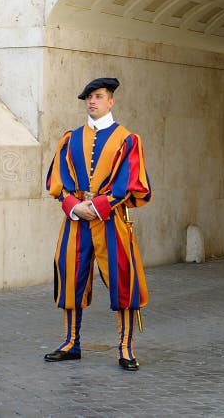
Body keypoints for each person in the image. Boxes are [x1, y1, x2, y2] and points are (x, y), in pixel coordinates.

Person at [43, 77, 152, 371]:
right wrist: (74, 206)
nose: (92, 101)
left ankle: (126, 348)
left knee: (123, 280)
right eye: (89, 97)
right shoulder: (70, 138)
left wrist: (98, 206)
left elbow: (130, 183)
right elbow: (58, 181)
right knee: (70, 276)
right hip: (76, 219)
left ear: (111, 101)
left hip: (111, 221)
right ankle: (70, 343)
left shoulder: (127, 140)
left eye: (99, 96)